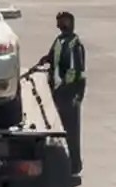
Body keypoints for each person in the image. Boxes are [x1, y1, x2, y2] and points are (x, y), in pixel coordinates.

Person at [37, 11, 86, 175]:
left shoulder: (74, 44)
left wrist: (67, 88)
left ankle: (73, 165)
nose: (59, 25)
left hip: (68, 92)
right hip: (57, 89)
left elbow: (75, 70)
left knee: (71, 130)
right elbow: (53, 56)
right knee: (59, 129)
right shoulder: (59, 40)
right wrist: (46, 59)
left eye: (62, 22)